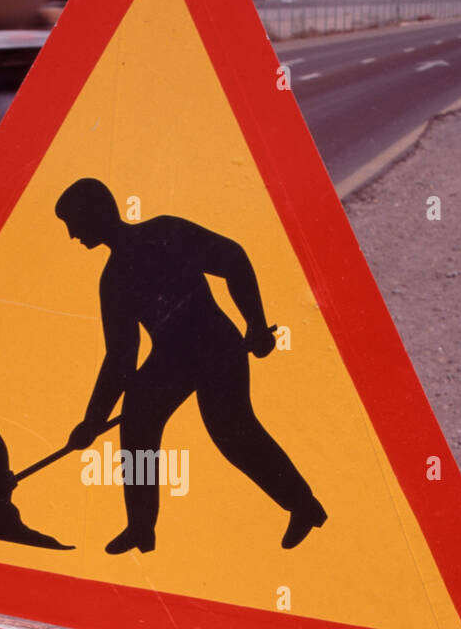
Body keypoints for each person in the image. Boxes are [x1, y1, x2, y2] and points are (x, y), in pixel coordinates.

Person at [56, 178, 327, 554]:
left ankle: (304, 506)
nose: (71, 235)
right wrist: (92, 419)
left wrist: (256, 325)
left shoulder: (165, 231)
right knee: (137, 421)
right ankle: (140, 528)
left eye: (73, 223)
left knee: (233, 433)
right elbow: (121, 356)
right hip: (171, 357)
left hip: (215, 342)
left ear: (94, 215)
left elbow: (233, 259)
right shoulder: (114, 279)